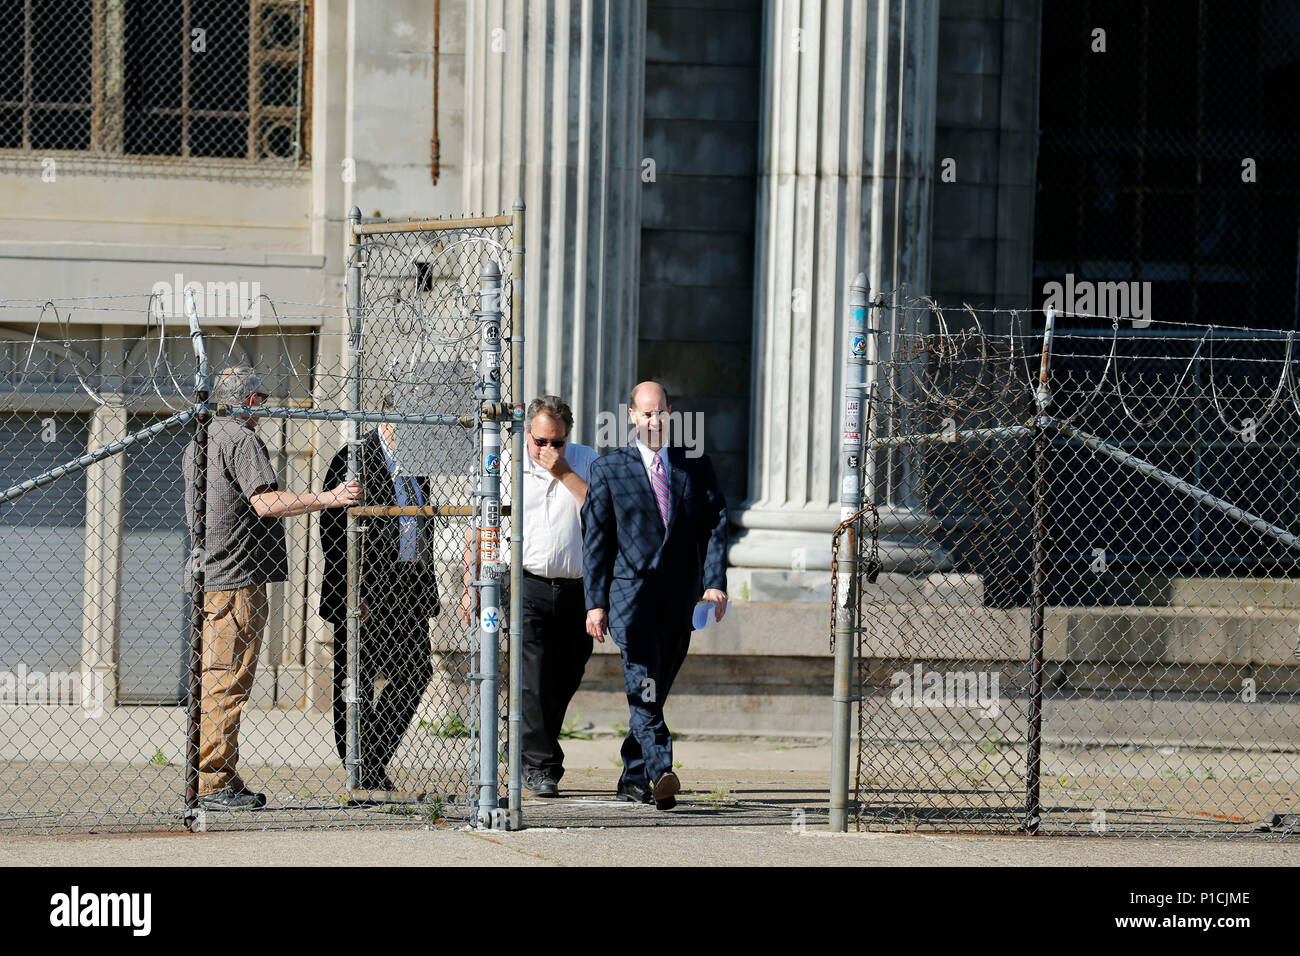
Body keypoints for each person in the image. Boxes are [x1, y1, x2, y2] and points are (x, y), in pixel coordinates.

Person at [184, 367, 362, 811]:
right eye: (260, 400)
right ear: (247, 401)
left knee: (213, 680)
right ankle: (213, 782)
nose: (264, 408)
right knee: (227, 683)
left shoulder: (201, 439)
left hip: (211, 574)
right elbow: (265, 503)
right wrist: (332, 497)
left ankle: (214, 774)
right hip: (236, 580)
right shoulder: (242, 439)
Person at [582, 381, 728, 810]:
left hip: (679, 601)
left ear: (670, 414)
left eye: (660, 412)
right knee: (643, 685)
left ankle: (633, 778)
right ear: (631, 416)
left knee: (654, 691)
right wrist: (595, 602)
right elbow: (596, 540)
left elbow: (716, 521)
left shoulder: (694, 464)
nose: (653, 420)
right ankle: (662, 769)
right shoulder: (610, 469)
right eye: (645, 413)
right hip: (630, 601)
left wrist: (714, 581)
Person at [457, 395, 596, 798]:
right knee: (532, 677)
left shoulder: (586, 461)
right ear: (528, 436)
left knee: (565, 678)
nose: (547, 451)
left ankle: (524, 747)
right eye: (540, 442)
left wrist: (565, 471)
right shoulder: (504, 464)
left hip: (577, 587)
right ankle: (540, 767)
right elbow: (480, 529)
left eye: (557, 442)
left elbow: (603, 511)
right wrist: (472, 586)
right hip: (525, 582)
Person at [319, 396, 441, 792]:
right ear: (386, 420)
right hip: (365, 588)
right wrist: (353, 591)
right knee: (356, 677)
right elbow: (333, 532)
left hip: (408, 586)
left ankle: (371, 757)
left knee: (415, 671)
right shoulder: (353, 458)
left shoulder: (420, 465)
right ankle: (360, 765)